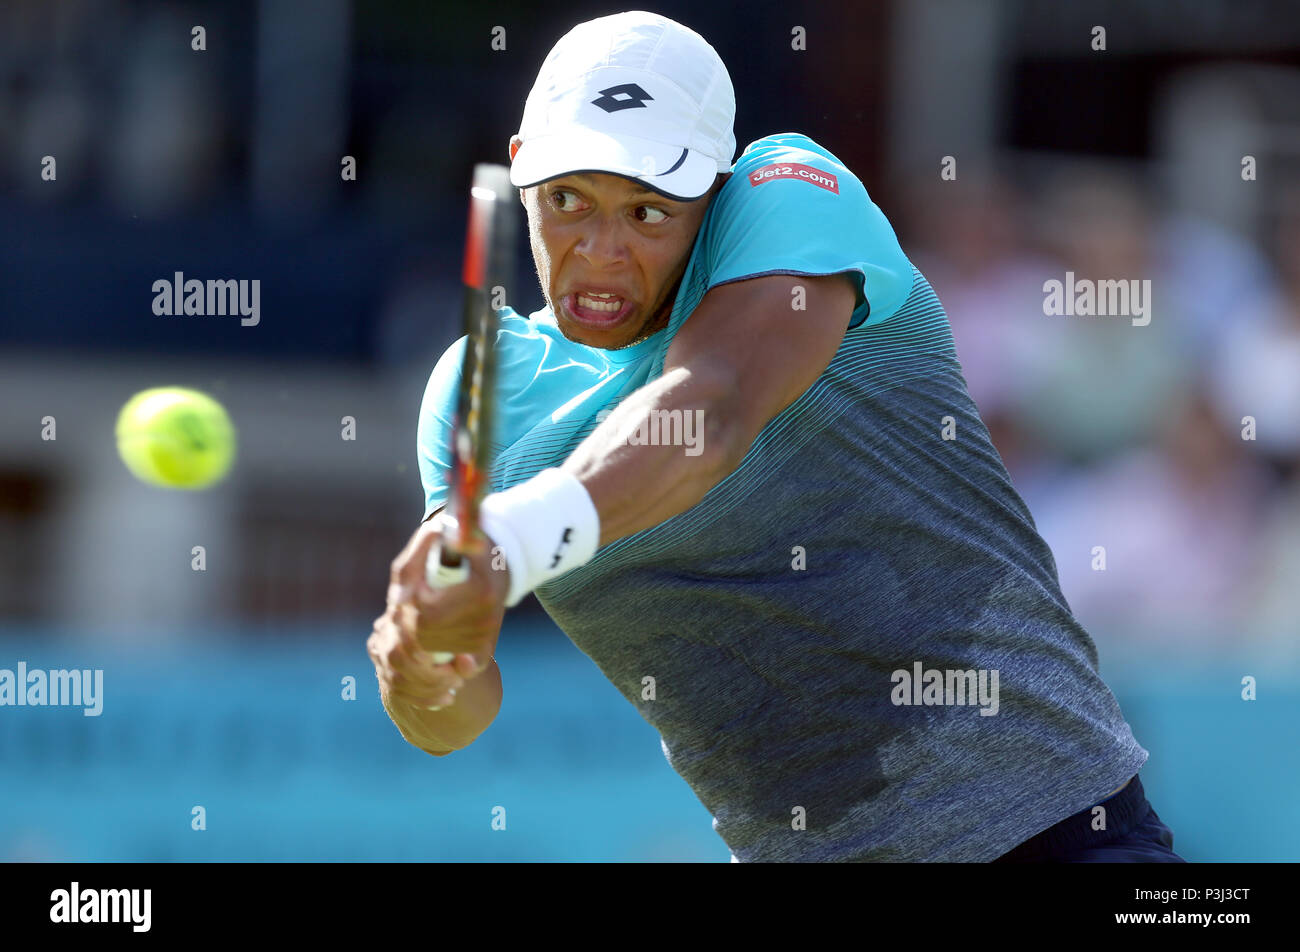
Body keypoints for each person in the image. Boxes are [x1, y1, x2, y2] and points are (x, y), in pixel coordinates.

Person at [367, 10, 1184, 862]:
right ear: (521, 168)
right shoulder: (480, 390)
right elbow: (452, 720)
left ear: (717, 193)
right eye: (569, 201)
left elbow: (711, 411)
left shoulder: (790, 193)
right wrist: (423, 667)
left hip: (1056, 835)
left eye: (648, 211)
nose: (602, 251)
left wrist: (513, 538)